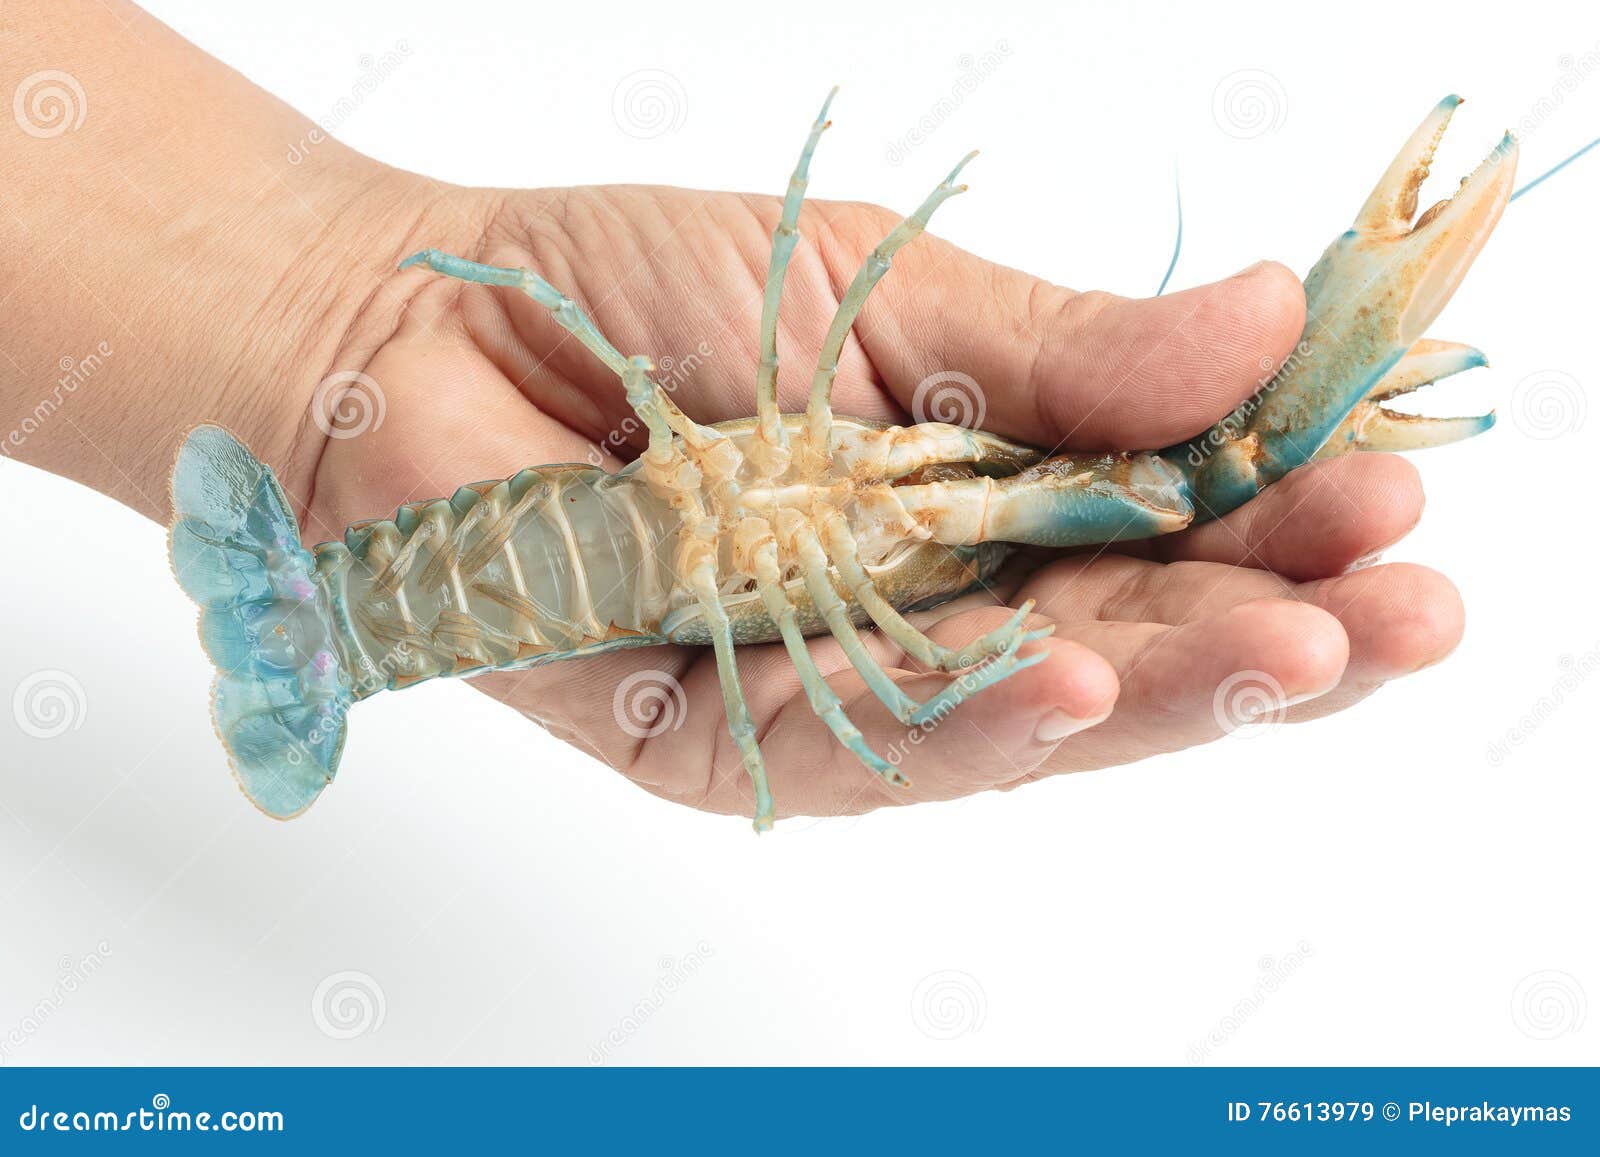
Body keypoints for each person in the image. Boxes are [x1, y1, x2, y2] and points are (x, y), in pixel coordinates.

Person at [1, 1, 1462, 822]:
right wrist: (347, 309)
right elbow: (1194, 476)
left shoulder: (935, 529)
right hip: (460, 577)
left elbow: (1180, 482)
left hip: (571, 559)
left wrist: (342, 317)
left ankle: (349, 604)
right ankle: (351, 605)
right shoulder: (957, 513)